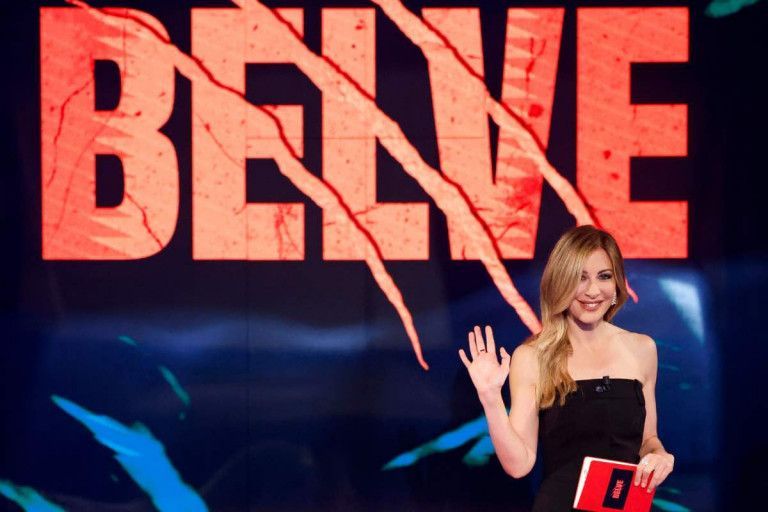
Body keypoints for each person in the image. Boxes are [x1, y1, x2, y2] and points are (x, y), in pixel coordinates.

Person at [458, 225, 675, 511]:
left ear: (616, 284)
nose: (593, 290)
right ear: (560, 283)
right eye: (579, 277)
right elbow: (519, 465)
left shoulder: (642, 349)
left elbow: (648, 439)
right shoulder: (533, 357)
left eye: (604, 276)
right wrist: (490, 398)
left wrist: (660, 455)